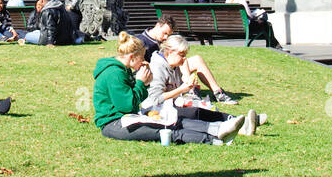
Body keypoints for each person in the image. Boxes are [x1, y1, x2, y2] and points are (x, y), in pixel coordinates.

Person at [92, 33, 240, 144]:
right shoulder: (114, 73)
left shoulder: (122, 70)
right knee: (168, 130)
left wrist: (144, 84)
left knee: (174, 121)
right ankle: (215, 139)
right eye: (142, 57)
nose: (144, 61)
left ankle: (218, 129)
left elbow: (133, 101)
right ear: (132, 57)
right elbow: (126, 105)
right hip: (114, 123)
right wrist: (140, 83)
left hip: (127, 117)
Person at [142, 35, 260, 136]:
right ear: (170, 52)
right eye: (182, 55)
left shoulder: (172, 64)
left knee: (202, 108)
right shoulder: (158, 68)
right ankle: (241, 124)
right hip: (155, 111)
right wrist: (182, 89)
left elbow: (181, 71)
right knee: (196, 112)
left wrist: (186, 78)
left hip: (170, 106)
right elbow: (155, 99)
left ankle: (241, 121)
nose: (184, 59)